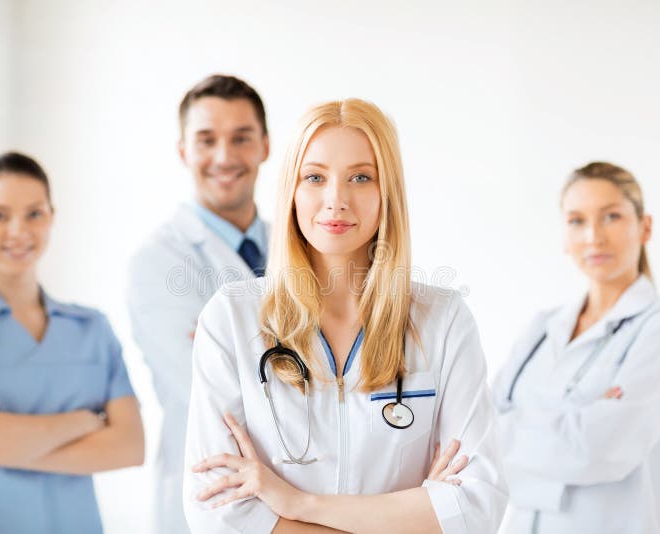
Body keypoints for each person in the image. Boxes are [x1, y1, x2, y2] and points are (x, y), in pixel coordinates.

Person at [183, 99, 508, 533]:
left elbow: (477, 507)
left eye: (360, 177)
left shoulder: (443, 322)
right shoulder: (232, 318)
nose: (335, 200)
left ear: (386, 190)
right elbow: (219, 515)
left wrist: (296, 502)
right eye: (314, 177)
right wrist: (417, 512)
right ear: (292, 191)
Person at [0, 152, 145, 534]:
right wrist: (83, 422)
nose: (18, 231)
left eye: (34, 213)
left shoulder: (92, 328)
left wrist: (5, 446)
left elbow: (129, 446)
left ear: (52, 217)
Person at [492, 162, 660, 534]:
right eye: (577, 220)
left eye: (611, 216)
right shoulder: (541, 328)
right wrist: (573, 428)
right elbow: (475, 440)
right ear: (564, 238)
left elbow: (601, 450)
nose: (593, 236)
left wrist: (509, 432)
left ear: (644, 227)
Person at [127, 74, 270, 533]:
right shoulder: (158, 260)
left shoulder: (300, 251)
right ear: (183, 150)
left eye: (241, 138)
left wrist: (242, 350)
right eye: (206, 140)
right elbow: (211, 394)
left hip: (301, 496)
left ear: (265, 146)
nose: (225, 157)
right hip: (213, 497)